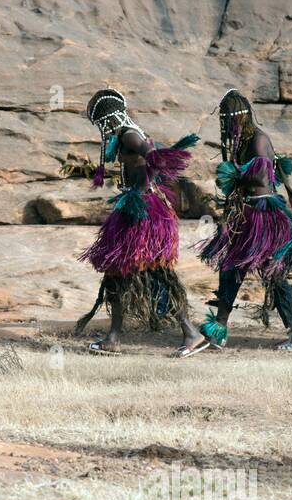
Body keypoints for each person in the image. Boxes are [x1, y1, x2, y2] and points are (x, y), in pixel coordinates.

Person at [74, 89, 204, 356]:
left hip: (144, 213)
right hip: (137, 209)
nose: (102, 128)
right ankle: (113, 338)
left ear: (108, 118)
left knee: (157, 274)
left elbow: (151, 156)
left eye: (101, 122)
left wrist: (147, 182)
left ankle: (191, 332)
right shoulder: (127, 133)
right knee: (117, 273)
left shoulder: (130, 135)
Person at [197, 90, 292, 351]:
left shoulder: (259, 140)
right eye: (223, 121)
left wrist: (235, 176)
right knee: (231, 269)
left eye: (229, 121)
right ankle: (219, 329)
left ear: (241, 118)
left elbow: (263, 176)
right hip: (248, 215)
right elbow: (277, 169)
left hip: (265, 216)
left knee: (275, 276)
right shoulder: (245, 140)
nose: (226, 126)